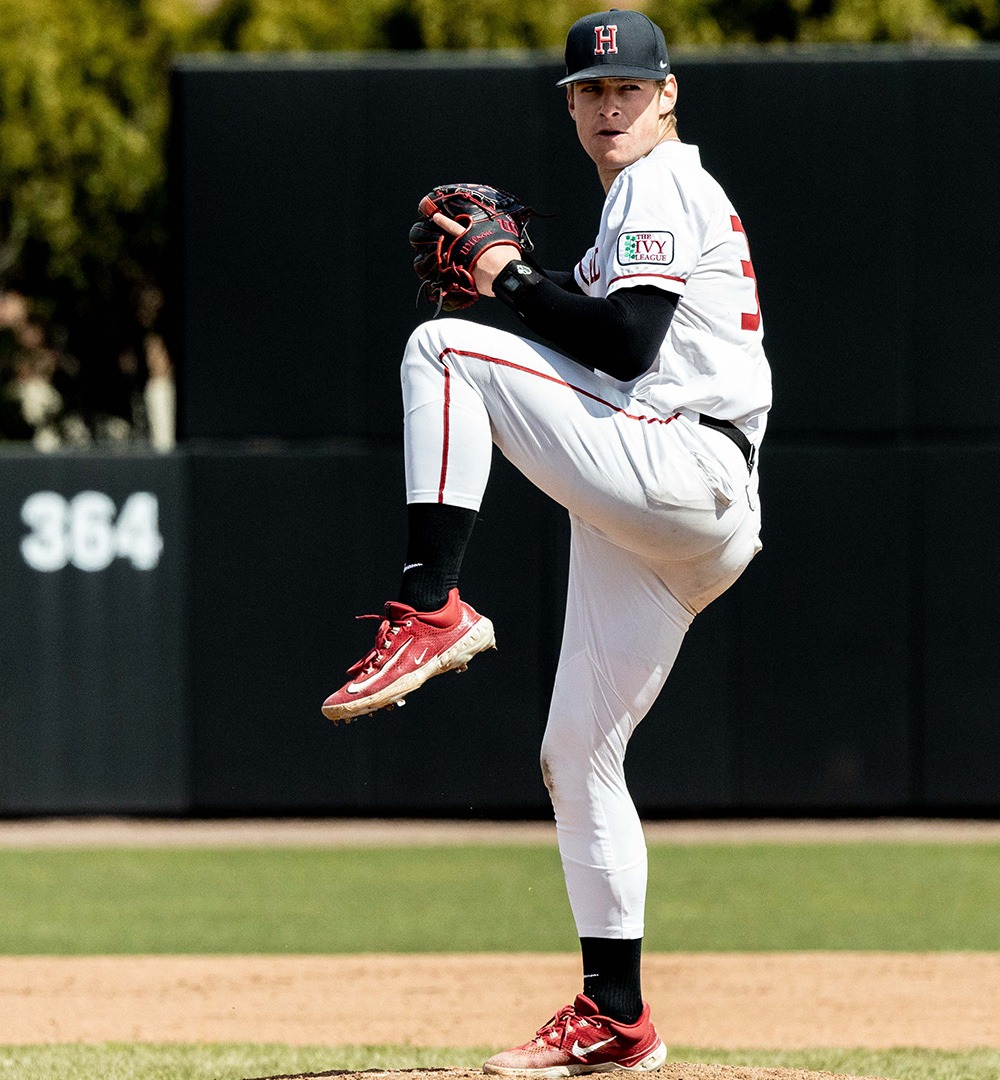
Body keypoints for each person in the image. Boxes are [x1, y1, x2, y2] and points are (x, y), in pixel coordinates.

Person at [323, 8, 770, 1075]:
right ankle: (616, 1012)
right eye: (590, 92)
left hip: (684, 466)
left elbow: (626, 340)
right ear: (571, 107)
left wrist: (506, 282)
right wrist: (524, 283)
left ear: (667, 97)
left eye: (628, 89)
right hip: (674, 510)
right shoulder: (631, 201)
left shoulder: (665, 181)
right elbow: (603, 339)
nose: (609, 106)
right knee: (577, 756)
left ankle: (431, 605)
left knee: (441, 348)